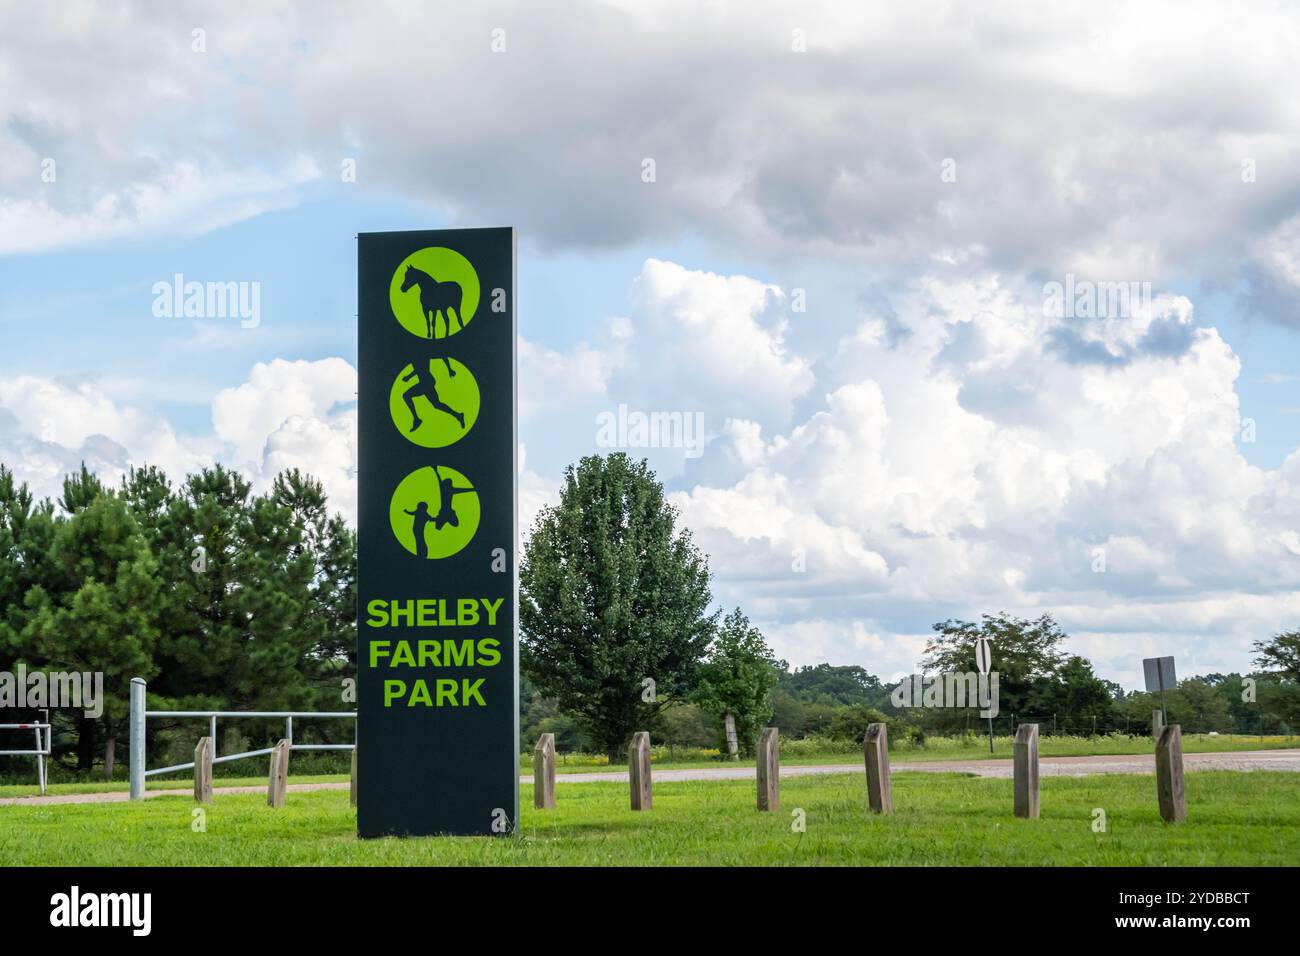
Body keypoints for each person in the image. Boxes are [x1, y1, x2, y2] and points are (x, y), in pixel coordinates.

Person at [398, 360, 464, 433]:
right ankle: (458, 415)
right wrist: (449, 369)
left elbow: (421, 369)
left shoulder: (422, 354)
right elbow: (419, 369)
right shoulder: (416, 354)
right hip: (426, 381)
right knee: (437, 404)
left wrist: (449, 369)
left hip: (426, 382)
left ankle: (416, 420)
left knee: (406, 395)